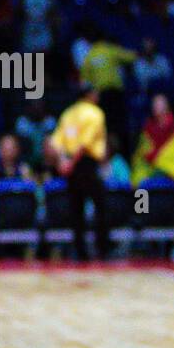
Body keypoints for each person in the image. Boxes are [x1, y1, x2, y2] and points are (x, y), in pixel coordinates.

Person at [46, 85, 110, 261]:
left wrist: (63, 162)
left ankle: (80, 251)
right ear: (89, 95)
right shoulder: (95, 113)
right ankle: (102, 249)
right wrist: (72, 163)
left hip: (69, 164)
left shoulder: (68, 113)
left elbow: (56, 142)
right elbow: (84, 143)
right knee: (100, 205)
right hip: (85, 163)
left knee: (76, 208)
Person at [130, 93, 174, 186]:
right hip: (148, 174)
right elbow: (142, 154)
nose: (155, 106)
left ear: (167, 106)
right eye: (154, 103)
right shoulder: (147, 128)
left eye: (159, 104)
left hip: (169, 174)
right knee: (141, 188)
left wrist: (156, 160)